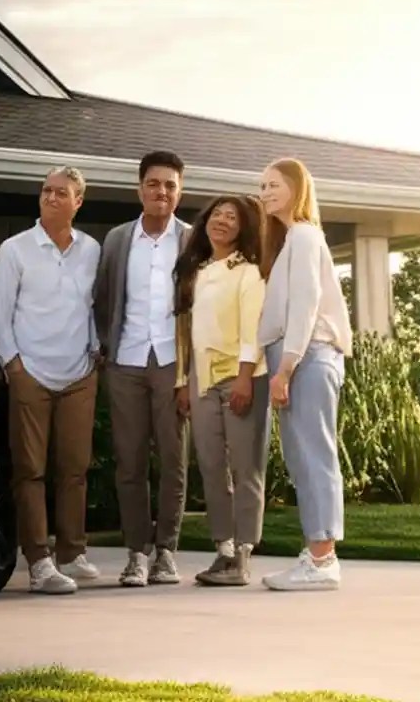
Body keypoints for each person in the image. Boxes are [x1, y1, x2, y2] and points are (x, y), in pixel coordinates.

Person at [0, 165, 102, 594]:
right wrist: (15, 368)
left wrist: (94, 356)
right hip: (30, 372)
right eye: (46, 191)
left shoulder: (91, 250)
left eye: (61, 193)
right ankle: (39, 562)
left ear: (78, 202)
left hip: (79, 375)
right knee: (29, 470)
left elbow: (92, 307)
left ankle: (72, 552)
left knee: (74, 470)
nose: (52, 198)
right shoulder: (14, 250)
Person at [94, 150, 192, 587]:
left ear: (179, 191)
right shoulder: (117, 240)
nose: (162, 192)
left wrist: (191, 373)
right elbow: (101, 299)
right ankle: (136, 553)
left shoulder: (192, 240)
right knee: (130, 462)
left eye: (170, 185)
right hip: (126, 361)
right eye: (154, 184)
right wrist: (104, 347)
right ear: (140, 188)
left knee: (173, 459)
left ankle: (167, 551)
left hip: (173, 363)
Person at [255, 157, 353, 591]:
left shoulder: (306, 236)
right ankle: (317, 554)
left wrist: (286, 366)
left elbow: (306, 305)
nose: (266, 192)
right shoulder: (292, 239)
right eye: (262, 186)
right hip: (297, 357)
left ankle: (322, 561)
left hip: (307, 357)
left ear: (297, 188)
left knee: (314, 455)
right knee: (302, 457)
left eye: (274, 184)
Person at [172, 194, 272, 586]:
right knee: (211, 466)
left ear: (244, 228)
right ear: (206, 222)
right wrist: (183, 382)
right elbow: (185, 333)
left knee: (245, 467)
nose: (223, 221)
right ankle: (224, 551)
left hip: (242, 375)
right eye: (218, 214)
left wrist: (246, 376)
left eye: (233, 217)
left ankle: (244, 555)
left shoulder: (248, 272)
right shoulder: (195, 271)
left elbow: (253, 329)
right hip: (201, 378)